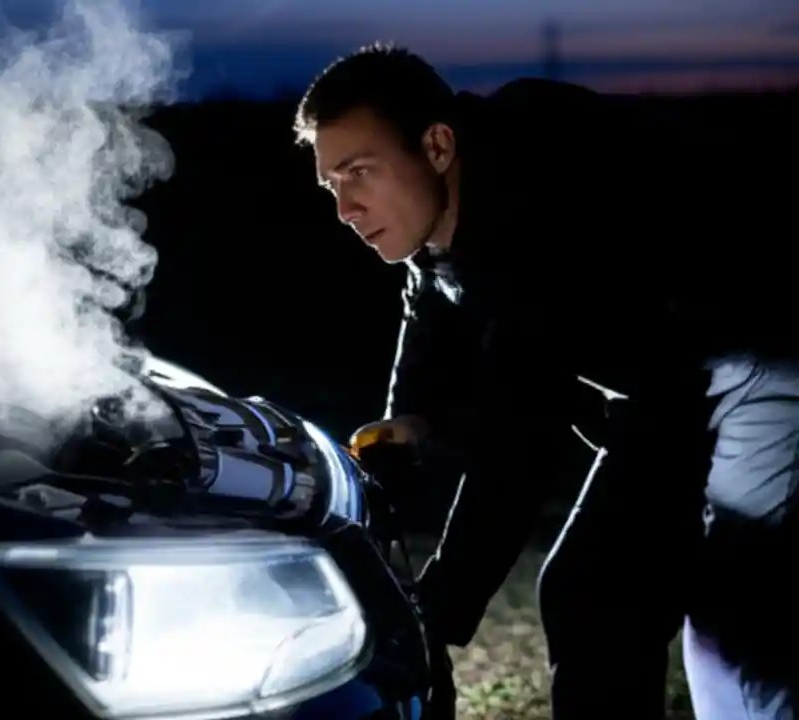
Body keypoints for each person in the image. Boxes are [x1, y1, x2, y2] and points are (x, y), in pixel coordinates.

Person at [291, 43, 798, 719]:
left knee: (735, 622)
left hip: (765, 350)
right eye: (331, 184)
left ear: (437, 145)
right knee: (591, 592)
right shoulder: (444, 203)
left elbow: (522, 435)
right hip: (669, 388)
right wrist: (408, 415)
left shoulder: (536, 182)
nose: (345, 208)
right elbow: (431, 288)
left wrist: (434, 611)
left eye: (359, 172)